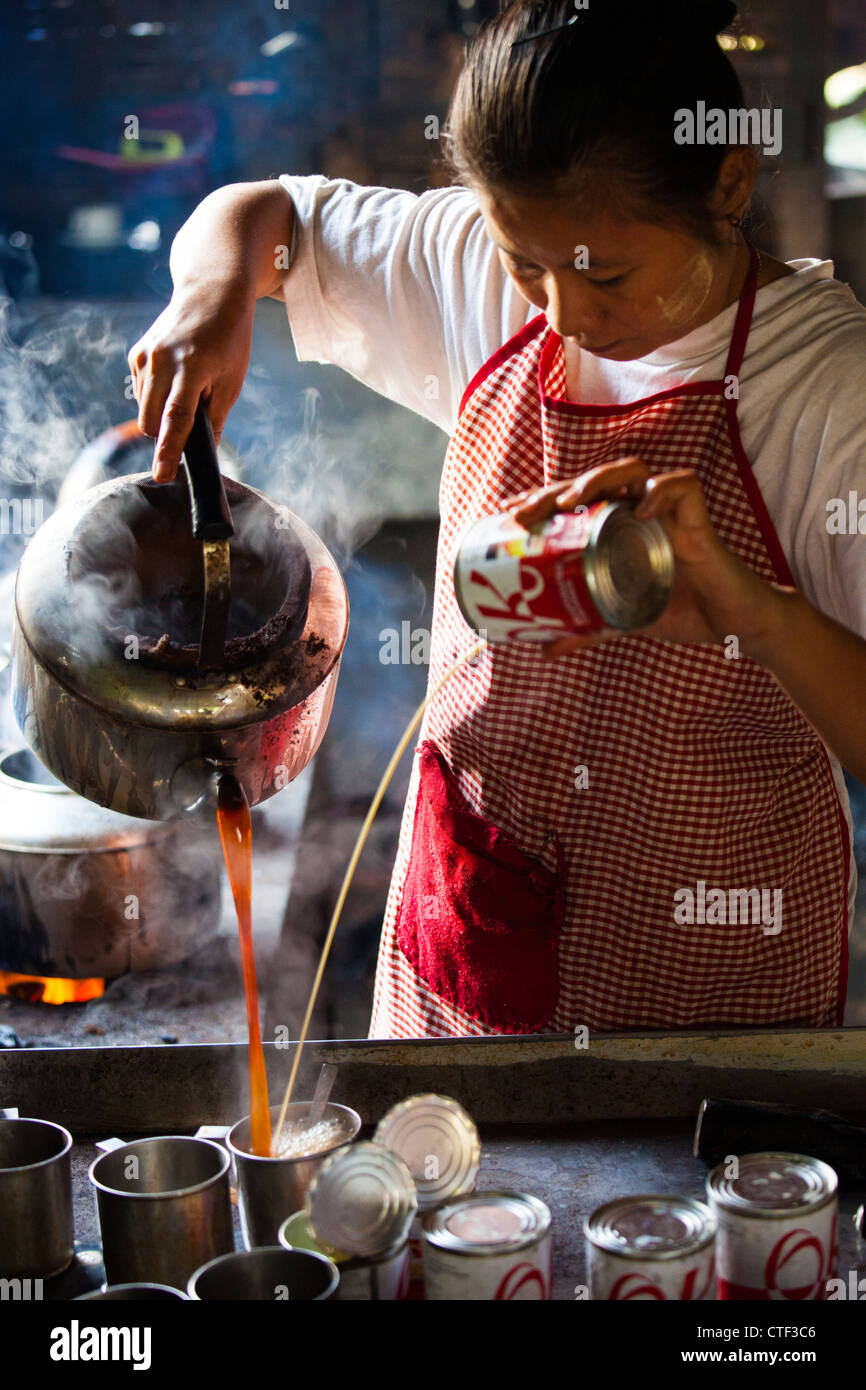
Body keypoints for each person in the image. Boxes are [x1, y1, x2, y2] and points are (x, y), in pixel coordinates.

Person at [128, 0, 866, 1037]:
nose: (557, 314)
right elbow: (265, 217)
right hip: (473, 944)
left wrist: (766, 614)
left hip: (705, 990)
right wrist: (212, 297)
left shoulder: (825, 394)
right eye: (527, 263)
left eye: (601, 272)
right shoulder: (480, 273)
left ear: (727, 181)